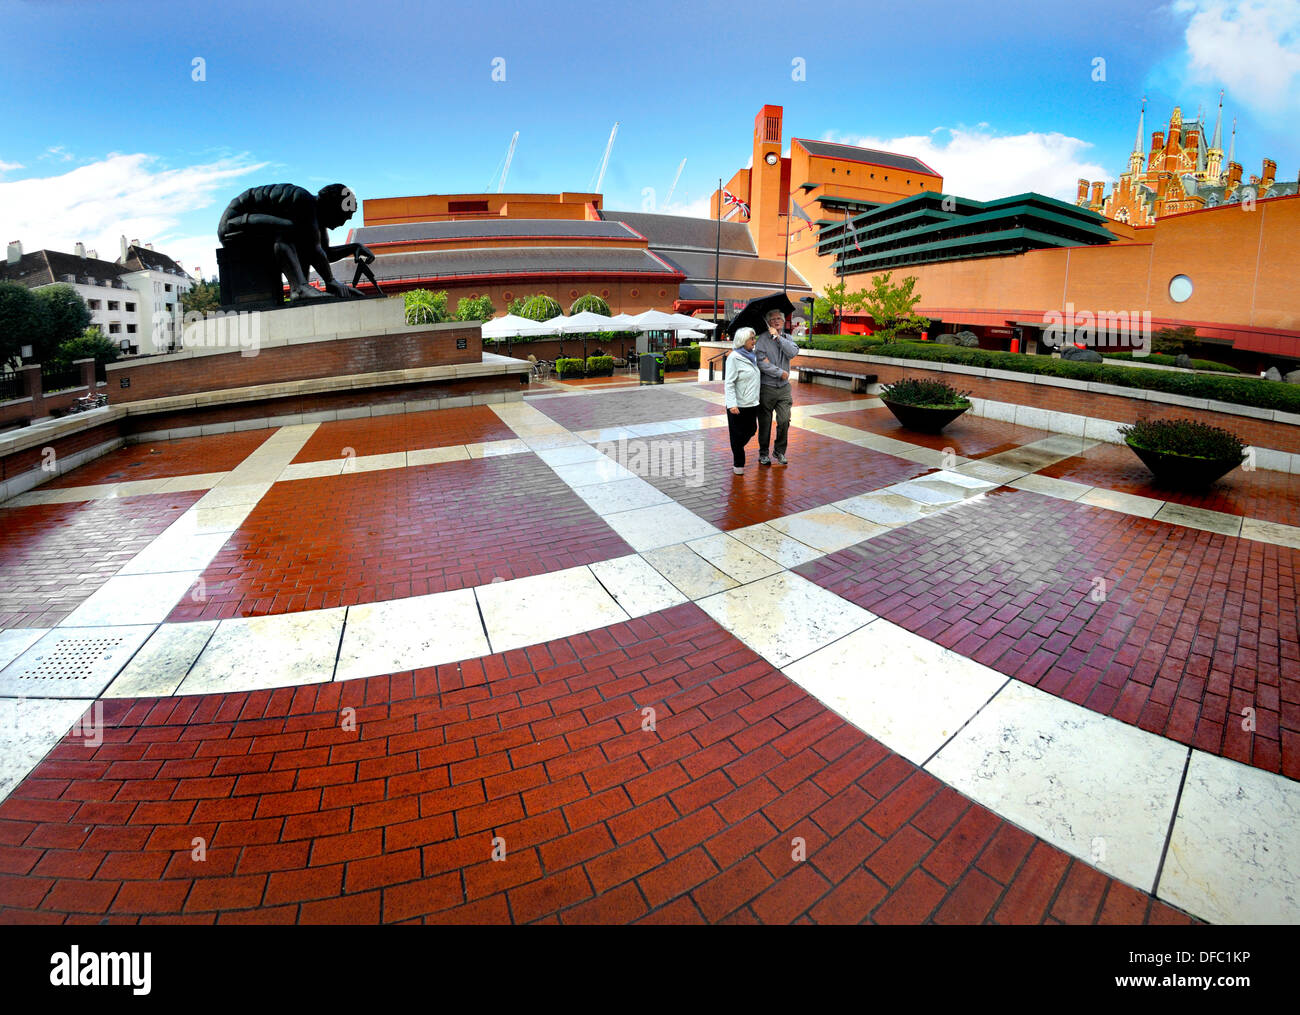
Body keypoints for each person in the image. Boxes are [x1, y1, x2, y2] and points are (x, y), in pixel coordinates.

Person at [754, 308, 799, 466]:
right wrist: (780, 372)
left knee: (784, 420)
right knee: (765, 422)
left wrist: (778, 338)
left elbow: (793, 352)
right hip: (767, 387)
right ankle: (763, 453)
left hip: (784, 388)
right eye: (773, 319)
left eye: (779, 318)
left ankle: (779, 451)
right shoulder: (762, 340)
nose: (777, 321)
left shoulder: (787, 338)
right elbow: (760, 362)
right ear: (768, 323)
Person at [724, 327, 762, 475]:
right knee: (736, 433)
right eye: (751, 339)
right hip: (737, 404)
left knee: (751, 429)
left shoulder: (752, 356)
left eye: (754, 338)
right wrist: (732, 403)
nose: (754, 341)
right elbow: (729, 382)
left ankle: (737, 447)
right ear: (742, 340)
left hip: (752, 402)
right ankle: (738, 463)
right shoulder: (734, 357)